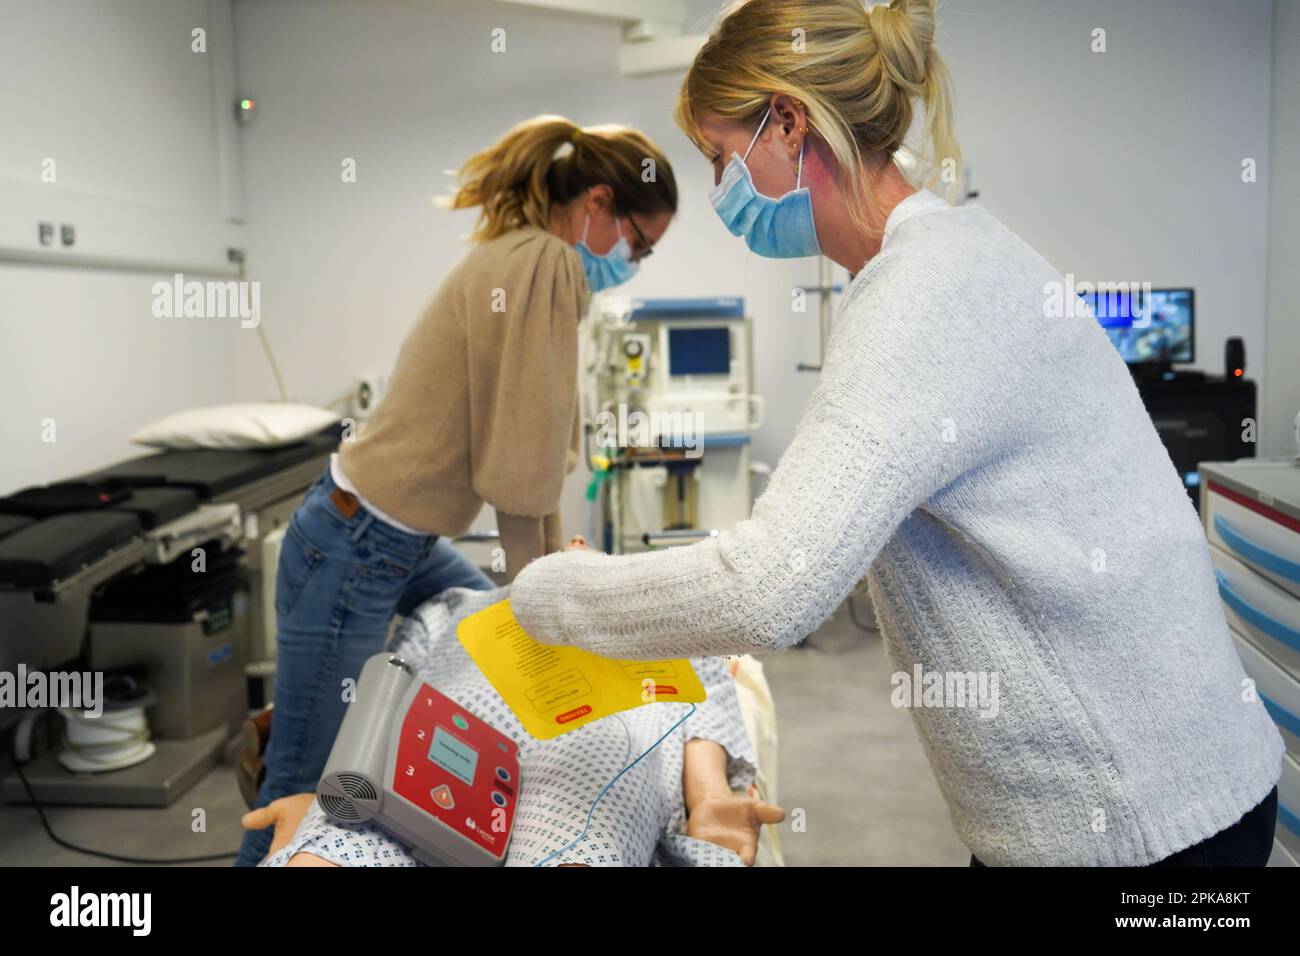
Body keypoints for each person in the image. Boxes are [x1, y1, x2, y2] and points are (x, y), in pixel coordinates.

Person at [507, 0, 1284, 866]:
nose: (722, 190)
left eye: (722, 156)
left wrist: (553, 594)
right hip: (1170, 789)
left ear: (788, 124)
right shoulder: (951, 257)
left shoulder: (923, 297)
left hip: (1139, 824)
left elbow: (770, 588)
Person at [235, 116, 678, 866]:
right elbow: (518, 461)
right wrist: (542, 596)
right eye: (640, 243)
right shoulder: (545, 261)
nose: (635, 261)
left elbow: (533, 442)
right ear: (599, 203)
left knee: (479, 636)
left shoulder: (521, 252)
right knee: (303, 788)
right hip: (359, 543)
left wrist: (544, 581)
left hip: (396, 538)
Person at [243, 585, 784, 867]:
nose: (574, 543)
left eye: (593, 552)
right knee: (333, 851)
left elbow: (705, 697)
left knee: (577, 847)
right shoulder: (458, 605)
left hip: (591, 747)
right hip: (435, 746)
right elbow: (391, 688)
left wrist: (709, 798)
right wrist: (328, 798)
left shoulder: (655, 613)